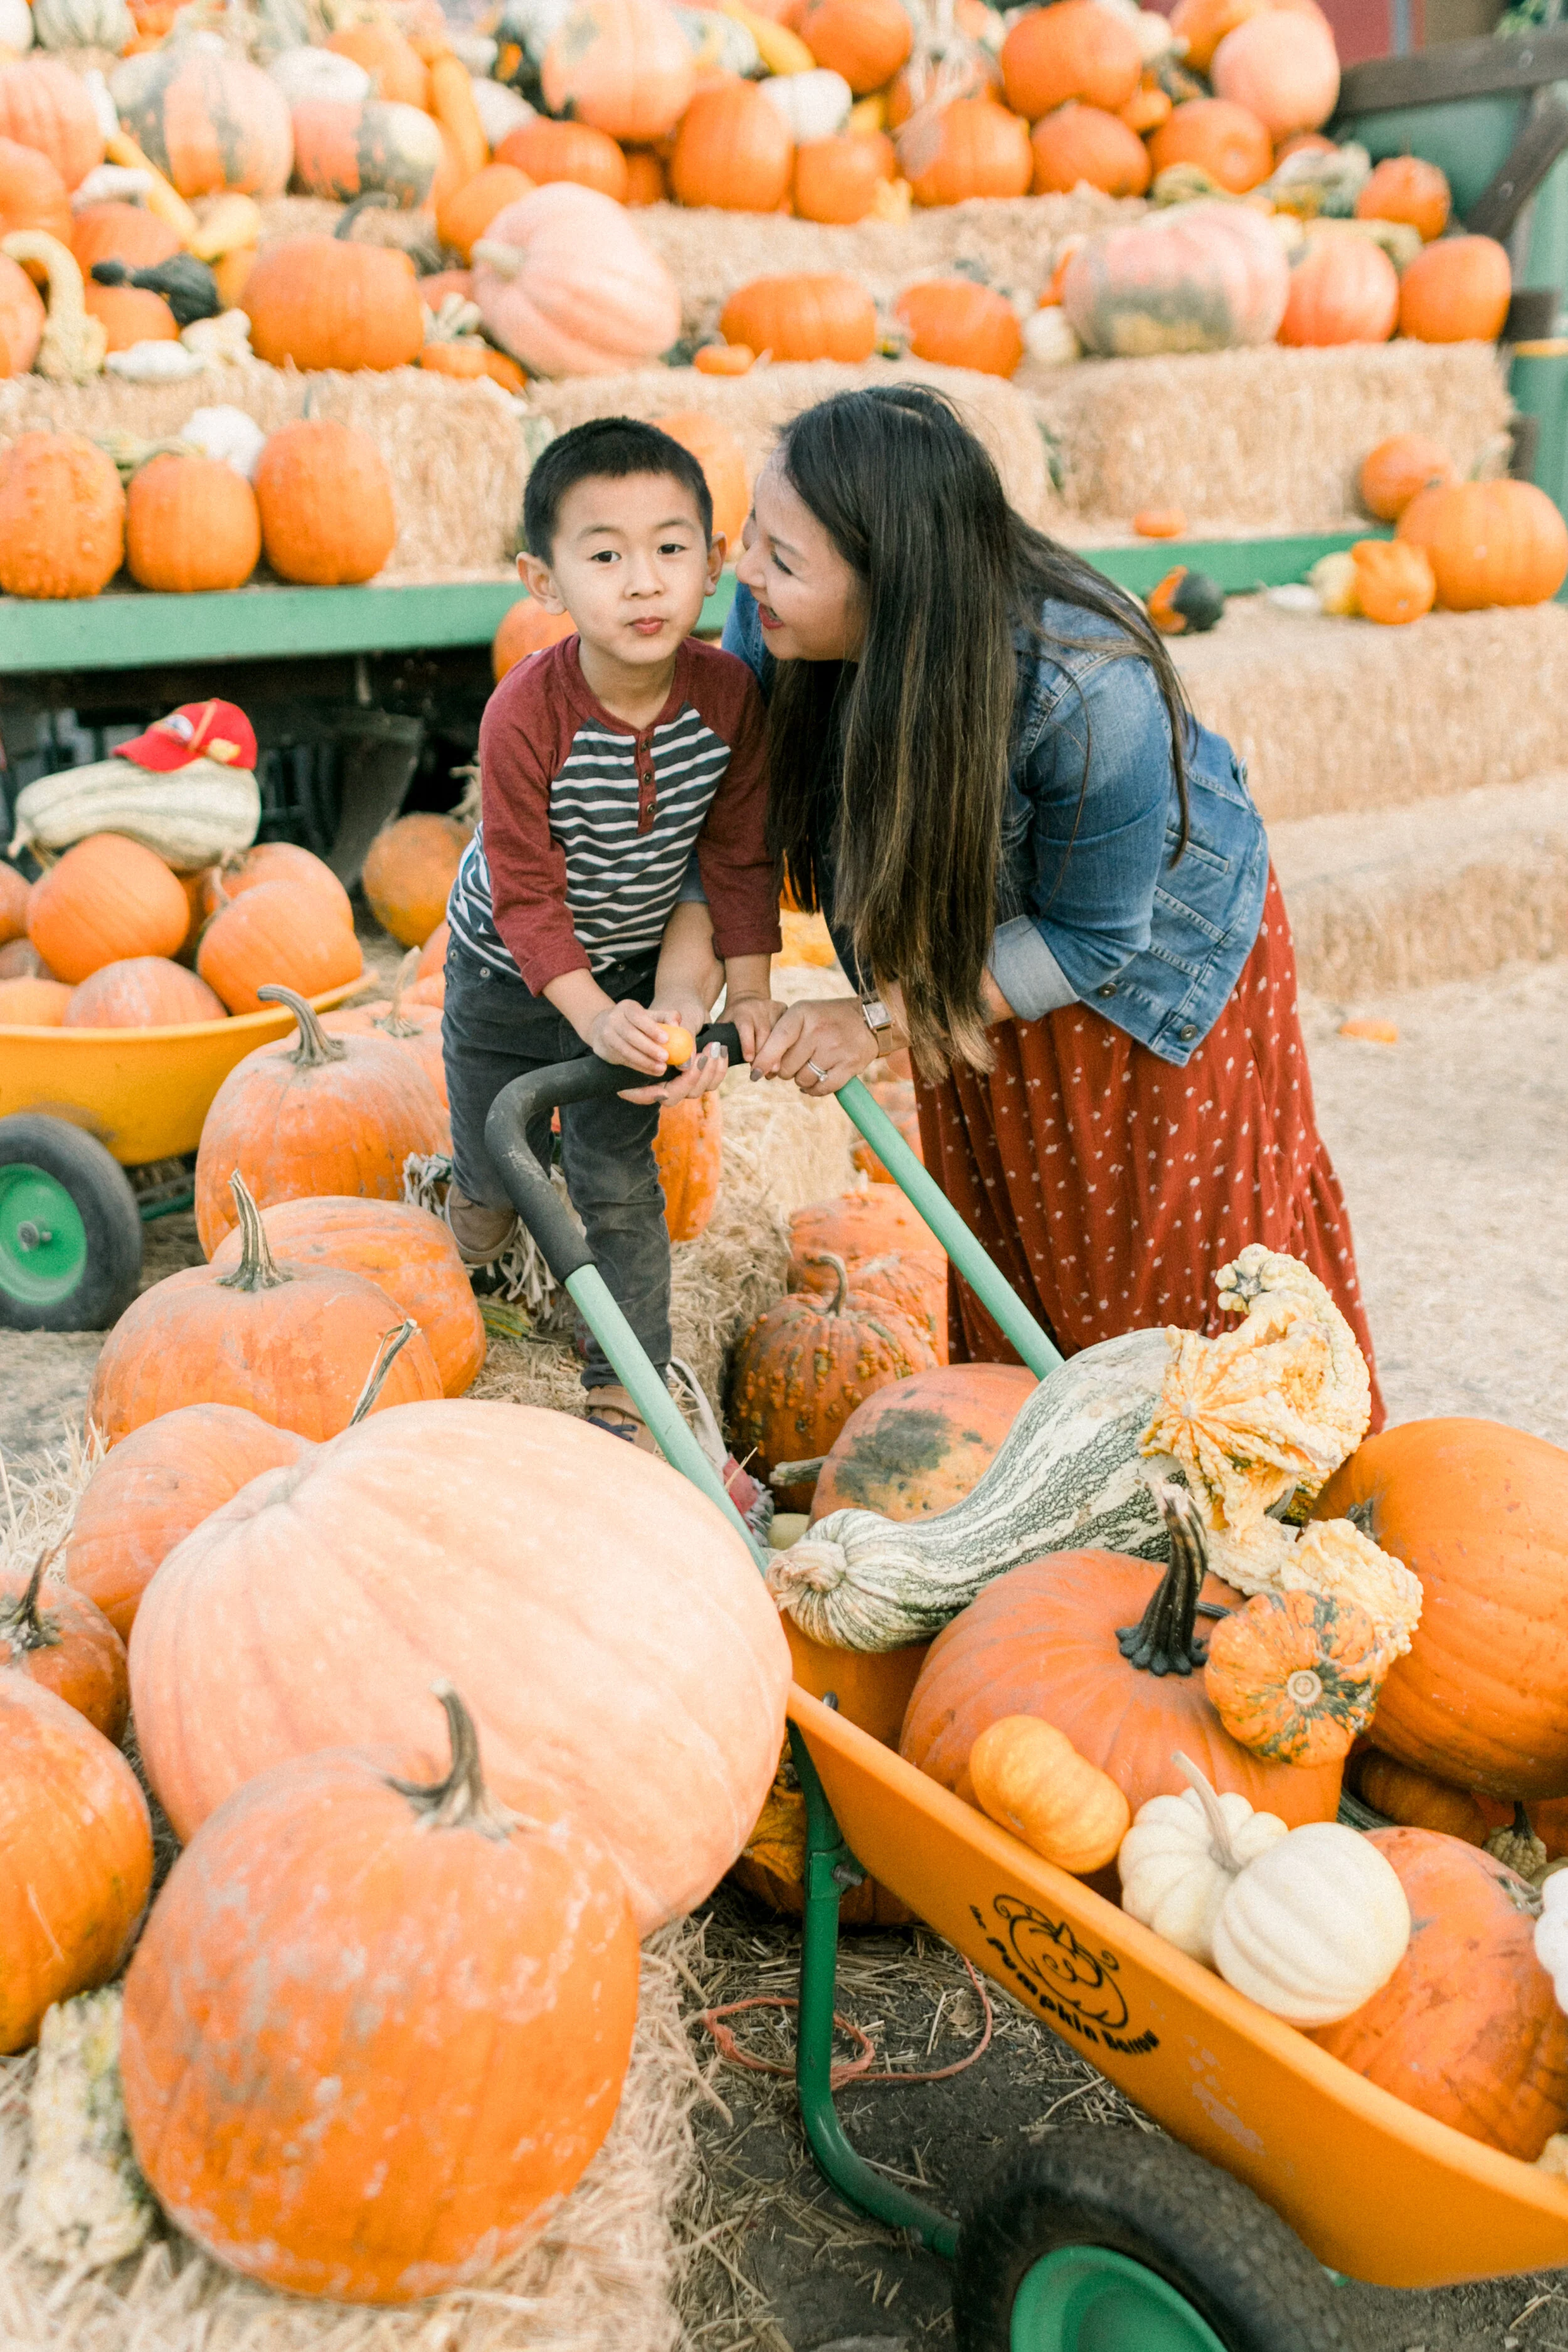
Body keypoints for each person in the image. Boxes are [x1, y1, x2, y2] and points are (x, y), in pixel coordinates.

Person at [726, 386, 1384, 1422]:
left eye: (783, 559)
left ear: (892, 587)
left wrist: (870, 1024)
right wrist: (717, 983)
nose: (745, 571)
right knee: (1014, 1240)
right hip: (974, 952)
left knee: (1166, 1283)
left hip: (1136, 966)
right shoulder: (773, 617)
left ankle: (1217, 1519)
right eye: (750, 535)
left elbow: (1091, 939)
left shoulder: (1085, 687)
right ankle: (1035, 1494)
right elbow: (733, 806)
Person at [443, 417, 781, 1446]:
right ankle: (464, 1237)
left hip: (635, 964)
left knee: (617, 1180)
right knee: (497, 1180)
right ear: (542, 581)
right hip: (506, 972)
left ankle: (624, 1381)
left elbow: (728, 864)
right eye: (605, 556)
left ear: (715, 563)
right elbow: (529, 901)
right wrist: (588, 1016)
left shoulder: (730, 699)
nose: (644, 583)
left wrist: (724, 998)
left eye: (672, 550)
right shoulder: (522, 717)